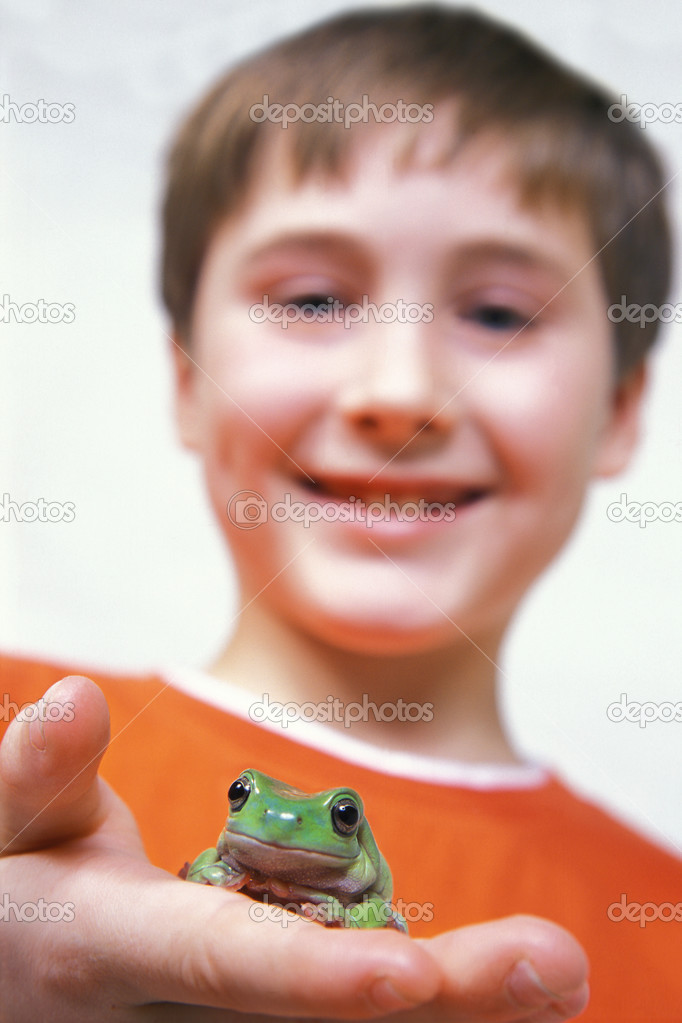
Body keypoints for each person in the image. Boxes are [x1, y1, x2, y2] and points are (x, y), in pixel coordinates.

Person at [1, 5, 680, 1020]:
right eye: (313, 299)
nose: (400, 390)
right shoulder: (28, 745)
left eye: (500, 313)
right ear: (187, 381)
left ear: (621, 411)